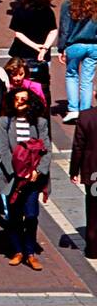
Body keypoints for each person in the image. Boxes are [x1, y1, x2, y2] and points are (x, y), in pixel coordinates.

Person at [0, 87, 50, 270]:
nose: (20, 102)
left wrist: (38, 171)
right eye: (17, 99)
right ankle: (18, 250)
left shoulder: (40, 122)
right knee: (14, 215)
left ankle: (30, 252)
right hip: (12, 177)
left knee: (32, 215)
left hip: (33, 178)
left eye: (24, 99)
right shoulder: (4, 121)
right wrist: (16, 172)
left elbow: (46, 149)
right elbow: (3, 150)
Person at [57, 0, 97, 123]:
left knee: (72, 75)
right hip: (93, 45)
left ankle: (73, 109)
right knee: (87, 80)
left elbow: (64, 28)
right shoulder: (95, 4)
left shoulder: (68, 4)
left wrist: (61, 48)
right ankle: (85, 110)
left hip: (75, 44)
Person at [70, 103, 97, 258]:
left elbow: (78, 146)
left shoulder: (86, 116)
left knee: (93, 209)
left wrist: (74, 170)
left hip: (94, 173)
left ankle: (93, 248)